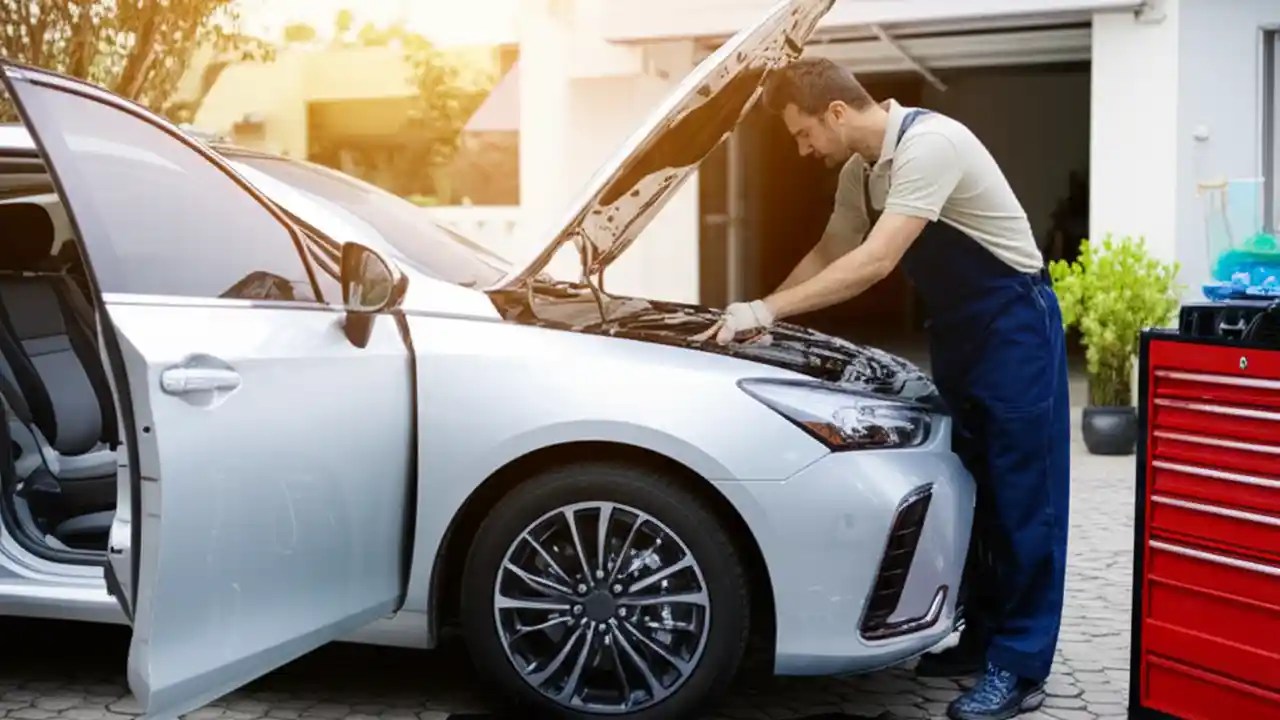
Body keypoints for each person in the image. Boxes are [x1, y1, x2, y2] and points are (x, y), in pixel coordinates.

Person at [695, 59, 1070, 720]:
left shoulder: (930, 145)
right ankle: (981, 637)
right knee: (977, 491)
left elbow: (874, 261)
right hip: (959, 328)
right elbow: (831, 249)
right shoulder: (858, 172)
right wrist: (764, 310)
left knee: (1024, 498)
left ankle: (1020, 666)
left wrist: (769, 312)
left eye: (804, 133)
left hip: (1014, 323)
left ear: (836, 113)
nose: (803, 148)